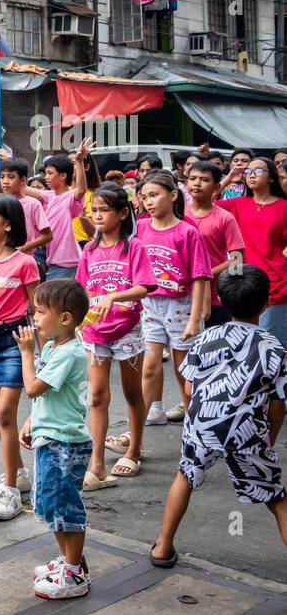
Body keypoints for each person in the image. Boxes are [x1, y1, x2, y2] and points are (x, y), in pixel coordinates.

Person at [151, 266, 287, 567]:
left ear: (222, 302)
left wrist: (196, 422)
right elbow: (279, 405)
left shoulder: (205, 338)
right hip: (248, 433)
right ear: (266, 303)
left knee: (184, 477)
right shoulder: (275, 348)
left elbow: (188, 385)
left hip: (202, 427)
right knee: (277, 498)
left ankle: (162, 547)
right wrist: (268, 440)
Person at [16, 279, 93, 598]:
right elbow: (46, 397)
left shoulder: (70, 353)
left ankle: (75, 573)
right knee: (48, 503)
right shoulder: (52, 348)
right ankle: (69, 560)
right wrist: (32, 420)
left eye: (39, 311)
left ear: (64, 318)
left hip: (65, 444)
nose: (34, 317)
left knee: (64, 506)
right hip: (51, 437)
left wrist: (25, 353)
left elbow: (33, 387)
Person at [78, 182, 156, 486]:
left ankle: (134, 450)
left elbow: (145, 287)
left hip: (128, 332)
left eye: (104, 210)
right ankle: (97, 463)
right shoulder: (89, 249)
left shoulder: (134, 247)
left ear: (123, 213)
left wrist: (114, 297)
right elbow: (82, 288)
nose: (97, 216)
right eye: (93, 210)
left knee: (132, 393)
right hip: (94, 333)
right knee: (96, 396)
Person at [0, 194, 39, 521]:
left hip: (15, 338)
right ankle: (16, 470)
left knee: (4, 414)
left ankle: (11, 491)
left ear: (8, 225)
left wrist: (43, 348)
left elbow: (38, 307)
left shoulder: (24, 262)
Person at [135, 170, 211, 434]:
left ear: (174, 195)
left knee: (185, 373)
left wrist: (194, 319)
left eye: (154, 195)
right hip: (150, 306)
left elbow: (200, 277)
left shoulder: (188, 232)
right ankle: (136, 434)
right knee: (148, 367)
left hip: (180, 307)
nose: (149, 202)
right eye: (144, 197)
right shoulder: (140, 227)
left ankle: (195, 426)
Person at [217, 157, 287, 348]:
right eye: (248, 172)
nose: (251, 175)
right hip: (242, 282)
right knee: (245, 346)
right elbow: (206, 200)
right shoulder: (238, 204)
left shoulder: (283, 207)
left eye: (257, 171)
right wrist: (229, 178)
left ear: (271, 177)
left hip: (276, 283)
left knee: (274, 346)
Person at [185, 160, 244, 330]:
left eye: (204, 179)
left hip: (215, 297)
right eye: (193, 178)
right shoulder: (178, 213)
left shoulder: (225, 218)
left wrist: (206, 274)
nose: (197, 183)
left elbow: (237, 260)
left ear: (217, 187)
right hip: (181, 293)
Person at [18, 150, 86, 280]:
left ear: (63, 175)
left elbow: (81, 190)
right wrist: (11, 163)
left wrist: (79, 160)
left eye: (50, 173)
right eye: (45, 173)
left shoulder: (70, 196)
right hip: (54, 261)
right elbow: (23, 188)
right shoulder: (50, 196)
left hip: (67, 262)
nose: (46, 177)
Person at [0, 156, 53, 269]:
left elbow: (47, 235)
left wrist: (23, 248)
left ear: (23, 180)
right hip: (0, 259)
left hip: (25, 260)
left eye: (11, 177)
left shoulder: (32, 204)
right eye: (2, 177)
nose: (5, 182)